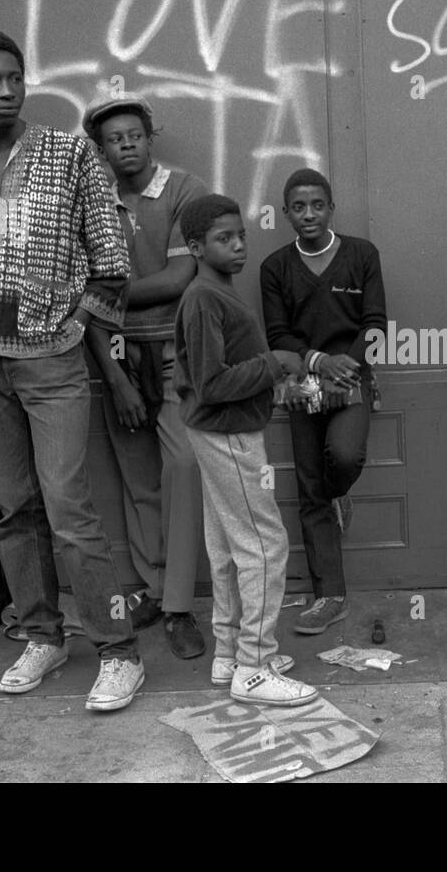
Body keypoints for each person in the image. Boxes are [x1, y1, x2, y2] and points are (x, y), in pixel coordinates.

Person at [0, 30, 143, 711]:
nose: (8, 89)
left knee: (69, 507)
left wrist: (73, 326)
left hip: (51, 360)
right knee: (15, 508)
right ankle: (43, 633)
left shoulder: (70, 152)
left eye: (16, 77)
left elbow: (112, 257)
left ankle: (118, 650)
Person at [175, 193, 317, 706]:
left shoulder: (217, 293)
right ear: (195, 246)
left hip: (222, 429)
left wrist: (276, 382)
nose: (238, 246)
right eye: (223, 239)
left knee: (227, 545)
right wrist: (278, 362)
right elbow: (212, 383)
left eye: (240, 235)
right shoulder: (203, 298)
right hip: (228, 434)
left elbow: (228, 372)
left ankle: (229, 653)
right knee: (264, 544)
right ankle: (254, 667)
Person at [81, 91, 209, 658]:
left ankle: (180, 605)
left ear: (149, 137)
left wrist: (104, 295)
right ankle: (153, 591)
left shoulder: (183, 190)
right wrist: (113, 368)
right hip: (114, 355)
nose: (125, 144)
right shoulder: (91, 199)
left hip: (174, 350)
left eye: (134, 134)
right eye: (113, 138)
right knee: (138, 479)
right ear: (101, 148)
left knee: (183, 467)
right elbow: (81, 294)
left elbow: (181, 276)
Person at [259, 169, 387, 635]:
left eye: (317, 205)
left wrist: (346, 368)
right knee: (310, 488)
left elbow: (375, 324)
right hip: (303, 383)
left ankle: (341, 495)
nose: (308, 214)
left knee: (345, 455)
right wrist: (317, 362)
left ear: (331, 207)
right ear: (287, 212)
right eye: (298, 206)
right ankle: (329, 597)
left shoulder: (360, 255)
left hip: (351, 376)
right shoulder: (275, 268)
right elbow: (278, 334)